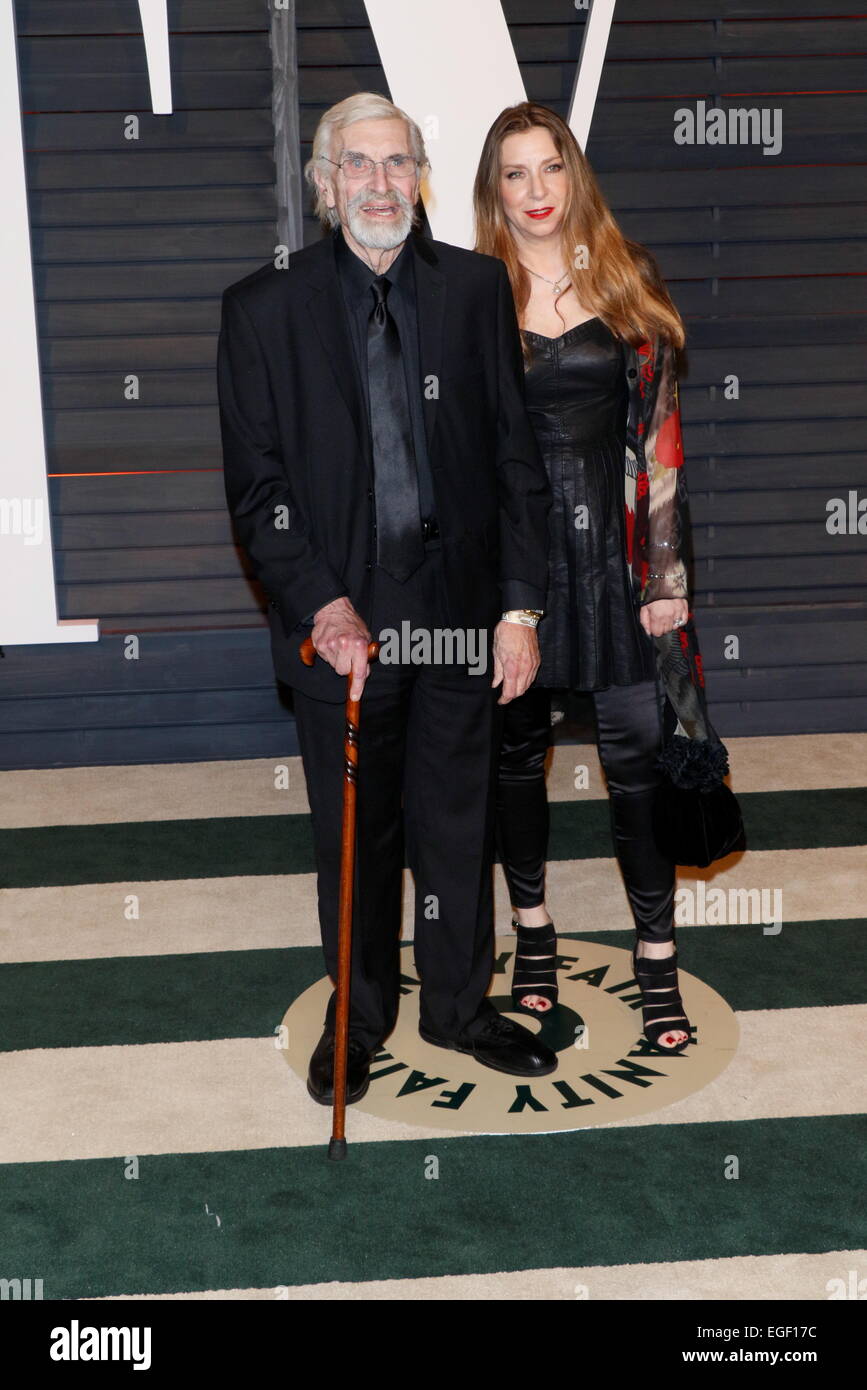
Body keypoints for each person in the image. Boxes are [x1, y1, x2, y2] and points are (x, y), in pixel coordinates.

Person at [217, 93, 558, 1106]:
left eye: (397, 163)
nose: (379, 183)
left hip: (458, 614)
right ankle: (357, 1019)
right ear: (324, 185)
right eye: (357, 165)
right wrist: (321, 603)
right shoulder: (261, 309)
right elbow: (260, 490)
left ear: (420, 178)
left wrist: (520, 609)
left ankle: (457, 1007)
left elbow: (513, 460)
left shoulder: (475, 289)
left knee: (459, 823)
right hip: (345, 629)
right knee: (356, 837)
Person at [474, 102, 694, 1052]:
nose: (534, 191)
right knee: (515, 764)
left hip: (616, 556)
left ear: (575, 177)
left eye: (549, 168)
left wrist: (668, 574)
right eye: (514, 173)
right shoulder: (473, 295)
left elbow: (659, 440)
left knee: (636, 766)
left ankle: (656, 960)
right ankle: (531, 939)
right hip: (517, 561)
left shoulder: (624, 279)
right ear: (494, 188)